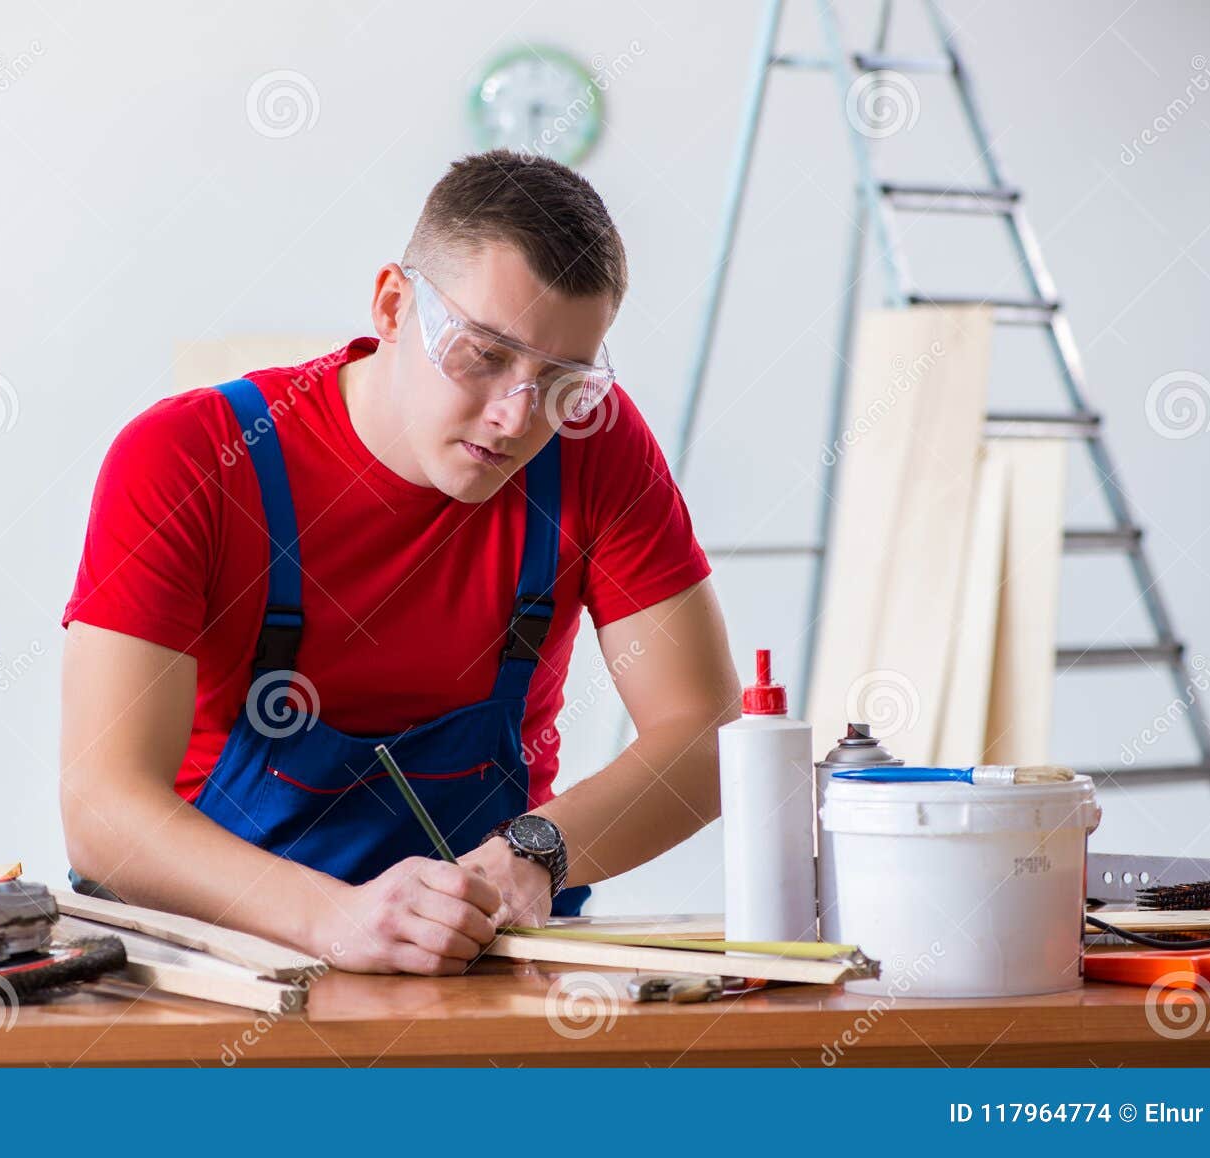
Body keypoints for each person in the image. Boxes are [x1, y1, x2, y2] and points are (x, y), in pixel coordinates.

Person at [59, 150, 740, 976]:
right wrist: (335, 919)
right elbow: (103, 806)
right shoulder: (189, 457)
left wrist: (535, 852)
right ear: (392, 304)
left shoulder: (593, 442)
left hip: (479, 960)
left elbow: (704, 733)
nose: (516, 416)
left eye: (561, 380)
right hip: (223, 970)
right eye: (484, 354)